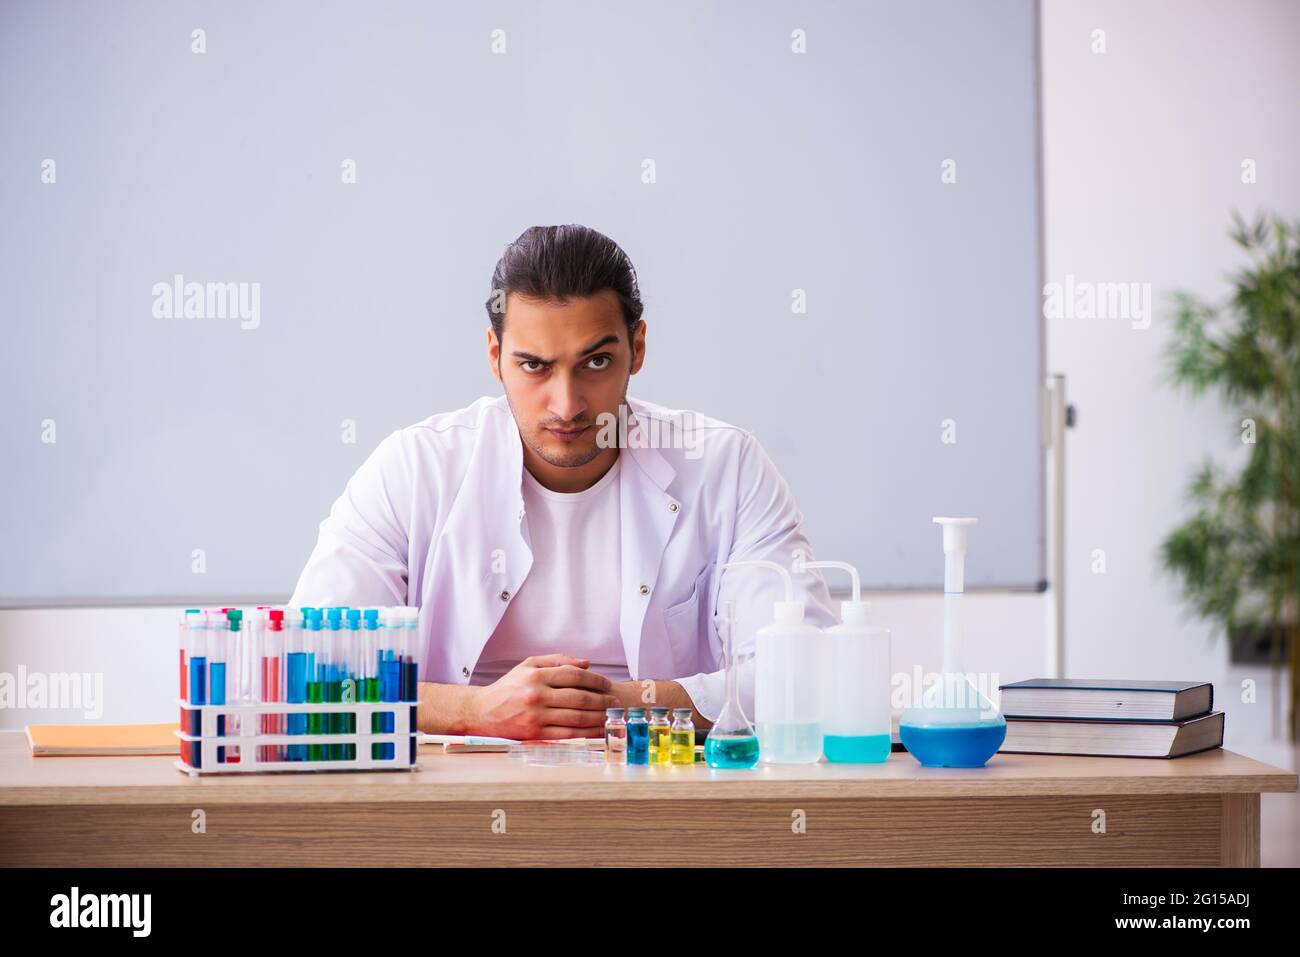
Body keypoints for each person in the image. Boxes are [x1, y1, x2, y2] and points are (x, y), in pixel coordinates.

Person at [289, 224, 835, 739]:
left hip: (660, 801)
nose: (567, 404)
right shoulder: (416, 468)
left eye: (595, 362)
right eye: (535, 367)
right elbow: (310, 667)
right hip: (454, 803)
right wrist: (474, 711)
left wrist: (616, 705)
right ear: (495, 356)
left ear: (637, 348)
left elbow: (809, 673)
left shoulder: (724, 466)